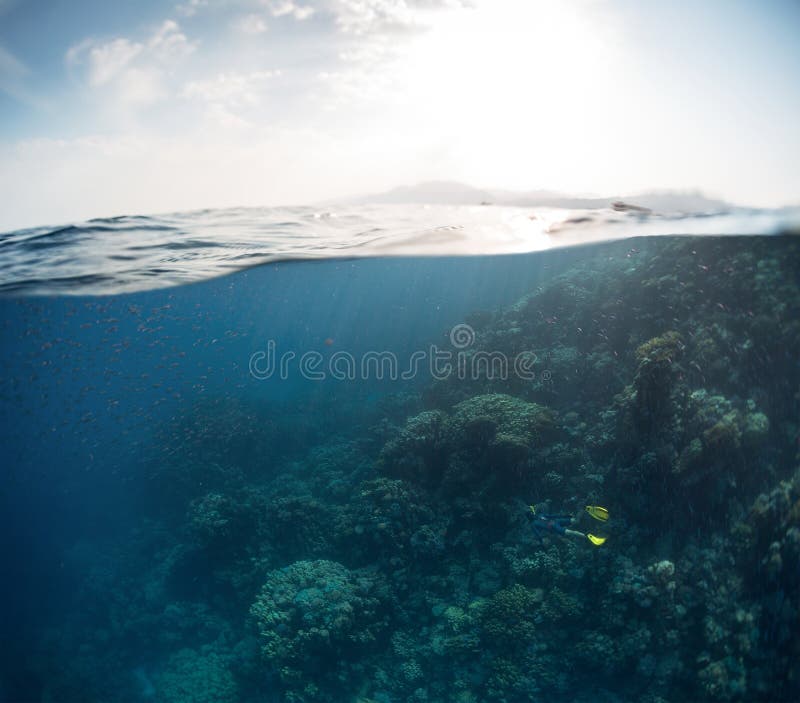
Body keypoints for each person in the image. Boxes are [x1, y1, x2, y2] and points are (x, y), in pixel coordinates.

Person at [528, 504, 609, 546]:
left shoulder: (537, 519)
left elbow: (553, 516)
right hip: (555, 524)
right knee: (573, 529)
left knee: (574, 526)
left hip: (555, 524)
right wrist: (542, 540)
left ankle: (587, 533)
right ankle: (587, 536)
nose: (533, 513)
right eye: (531, 513)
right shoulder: (535, 521)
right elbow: (538, 534)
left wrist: (565, 515)